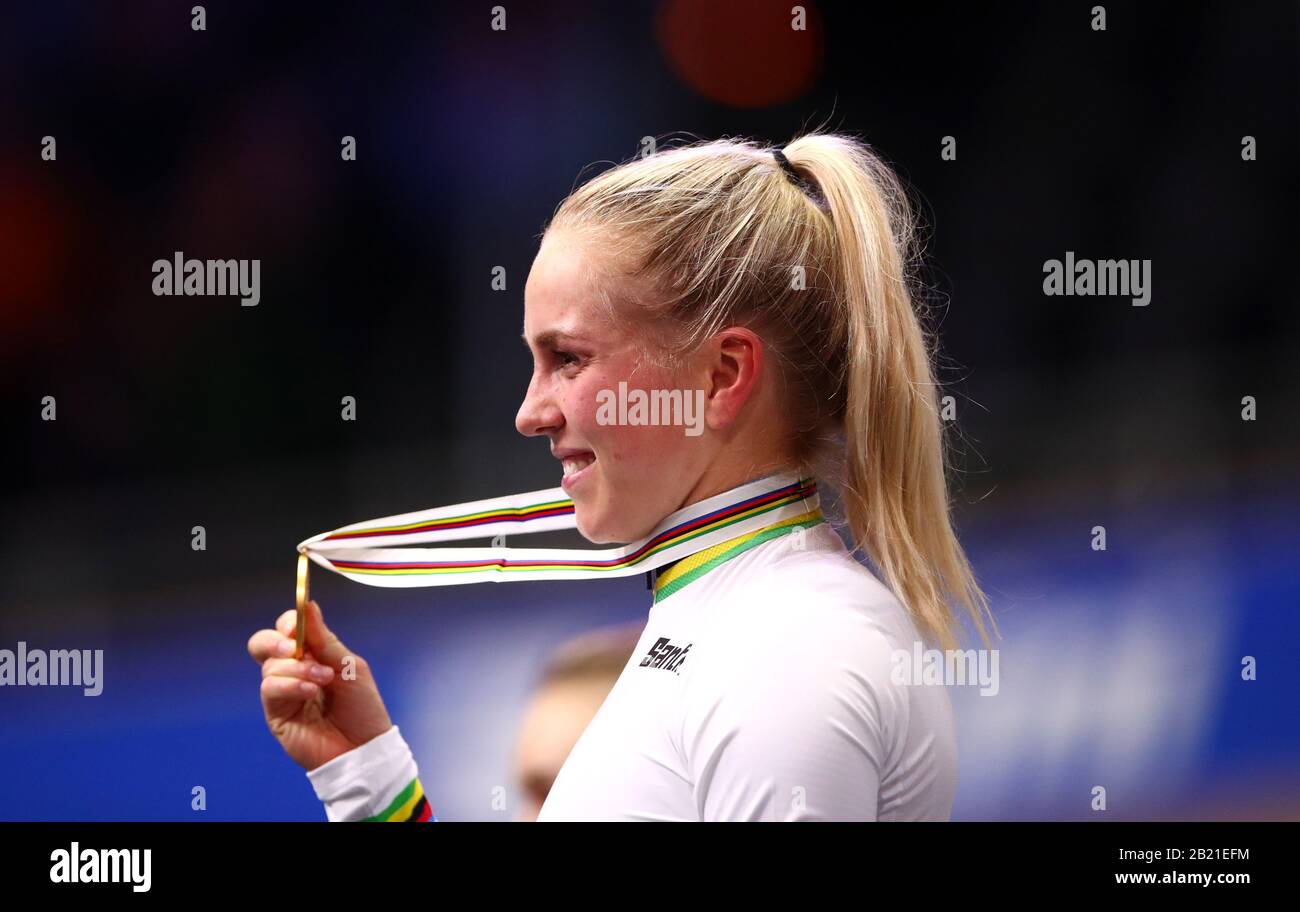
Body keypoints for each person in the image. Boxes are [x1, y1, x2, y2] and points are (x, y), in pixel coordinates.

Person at [247, 131, 996, 821]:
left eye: (567, 359)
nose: (530, 412)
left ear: (721, 375)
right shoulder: (732, 620)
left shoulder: (788, 649)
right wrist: (370, 782)